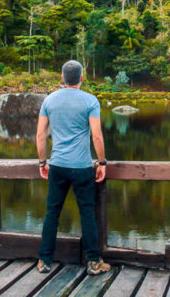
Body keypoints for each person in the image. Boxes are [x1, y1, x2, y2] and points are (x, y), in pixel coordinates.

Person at [36, 60, 111, 275]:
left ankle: (44, 260)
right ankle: (94, 262)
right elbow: (96, 135)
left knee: (52, 213)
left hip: (57, 165)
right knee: (87, 213)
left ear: (62, 77)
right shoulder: (90, 101)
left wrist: (43, 162)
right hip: (82, 167)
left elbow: (41, 135)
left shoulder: (49, 100)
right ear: (81, 78)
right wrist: (102, 162)